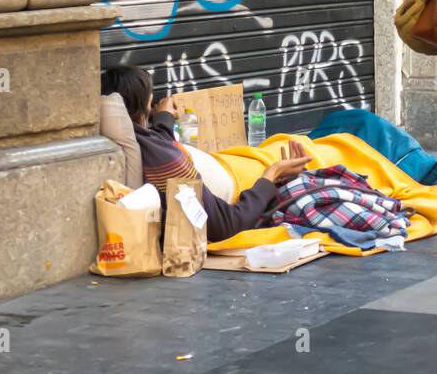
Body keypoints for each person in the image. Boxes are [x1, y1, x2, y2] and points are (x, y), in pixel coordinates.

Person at [100, 66, 311, 242]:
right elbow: (228, 223)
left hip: (231, 160)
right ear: (141, 106)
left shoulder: (141, 140)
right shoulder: (163, 162)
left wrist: (164, 115)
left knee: (285, 146)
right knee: (314, 148)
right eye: (150, 99)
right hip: (245, 176)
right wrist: (272, 175)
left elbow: (159, 138)